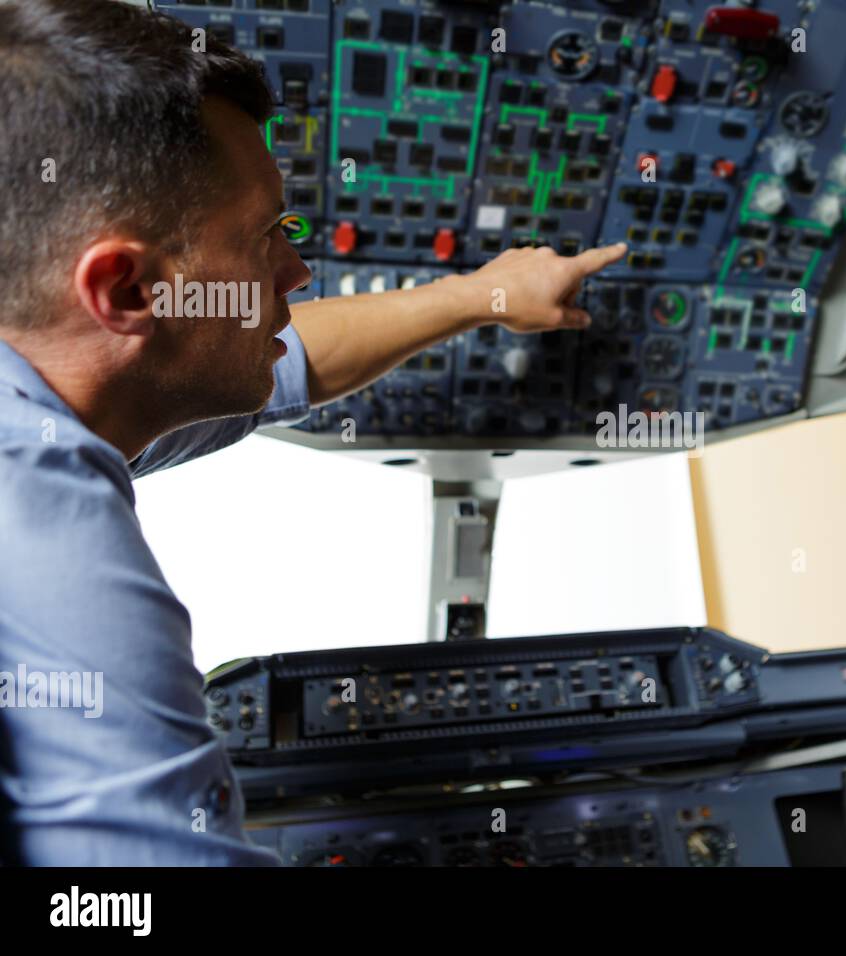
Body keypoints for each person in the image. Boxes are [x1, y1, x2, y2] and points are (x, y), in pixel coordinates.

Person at [0, 0, 623, 863]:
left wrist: (482, 296)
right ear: (131, 292)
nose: (297, 269)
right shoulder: (39, 511)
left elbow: (288, 365)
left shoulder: (46, 398)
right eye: (264, 238)